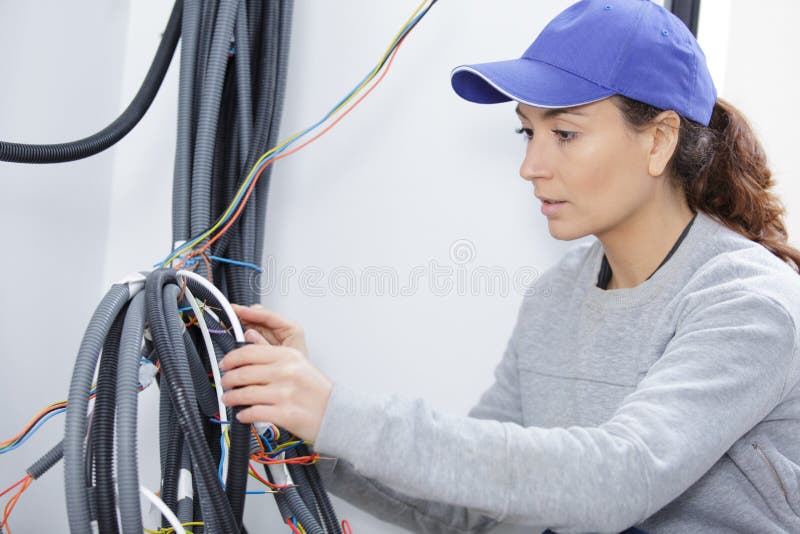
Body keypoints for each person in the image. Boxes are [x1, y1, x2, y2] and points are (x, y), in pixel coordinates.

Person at [219, 0, 800, 532]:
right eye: (528, 131)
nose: (530, 166)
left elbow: (623, 478)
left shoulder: (748, 304)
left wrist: (336, 413)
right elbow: (475, 507)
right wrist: (306, 426)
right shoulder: (557, 295)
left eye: (565, 133)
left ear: (659, 141)